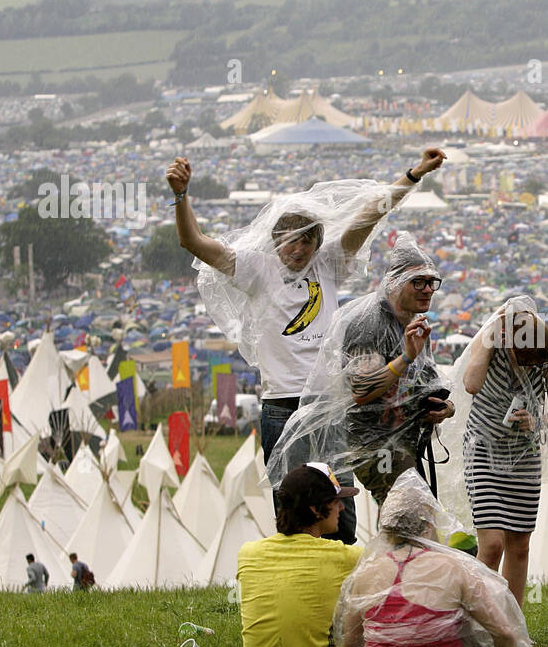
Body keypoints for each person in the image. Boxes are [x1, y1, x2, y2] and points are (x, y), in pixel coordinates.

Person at [171, 148, 445, 541]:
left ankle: (341, 594)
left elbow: (369, 214)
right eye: (289, 243)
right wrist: (181, 196)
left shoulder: (328, 264)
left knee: (341, 511)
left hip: (328, 404)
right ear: (275, 239)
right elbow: (193, 242)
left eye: (306, 243)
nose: (297, 251)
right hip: (281, 406)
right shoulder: (256, 268)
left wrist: (414, 175)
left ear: (318, 242)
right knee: (292, 515)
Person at [267, 235, 456, 507]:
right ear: (395, 283)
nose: (427, 289)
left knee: (407, 516)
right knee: (410, 512)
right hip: (374, 443)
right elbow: (361, 390)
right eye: (418, 282)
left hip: (401, 438)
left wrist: (445, 407)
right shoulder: (371, 324)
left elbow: (423, 382)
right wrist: (405, 357)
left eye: (431, 282)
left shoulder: (412, 321)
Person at [334, 470, 534, 647]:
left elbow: (350, 642)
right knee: (473, 631)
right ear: (429, 524)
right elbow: (504, 633)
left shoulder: (367, 572)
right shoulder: (453, 567)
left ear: (386, 526)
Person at [453, 298, 548, 605]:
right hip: (484, 450)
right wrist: (490, 338)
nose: (530, 366)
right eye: (525, 358)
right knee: (492, 545)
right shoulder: (491, 344)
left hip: (525, 456)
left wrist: (537, 421)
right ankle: (478, 617)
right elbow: (471, 383)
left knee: (520, 546)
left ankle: (512, 621)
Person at [237, 462, 364, 647]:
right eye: (335, 501)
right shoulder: (346, 556)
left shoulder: (248, 552)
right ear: (315, 509)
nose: (342, 508)